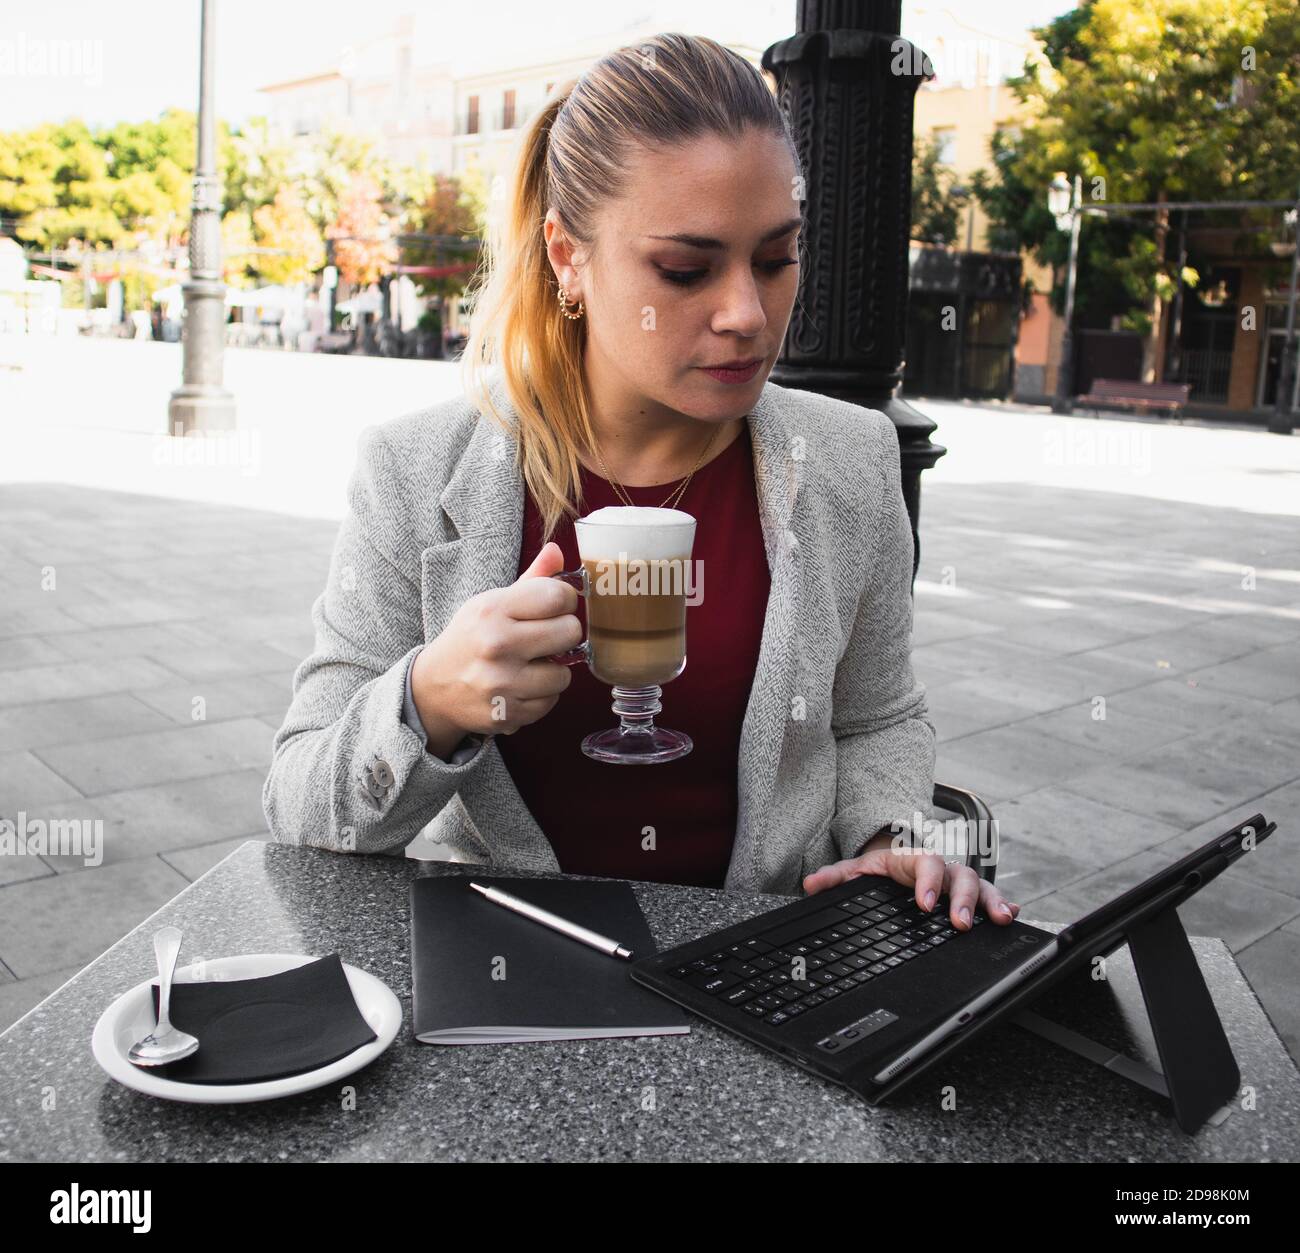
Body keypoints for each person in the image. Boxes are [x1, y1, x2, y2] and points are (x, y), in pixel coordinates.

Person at [263, 32, 1019, 931]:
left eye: (777, 260)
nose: (746, 313)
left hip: (772, 967)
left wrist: (900, 839)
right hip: (510, 969)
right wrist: (431, 699)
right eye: (686, 270)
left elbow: (877, 719)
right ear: (567, 256)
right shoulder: (415, 472)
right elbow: (301, 812)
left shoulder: (849, 462)